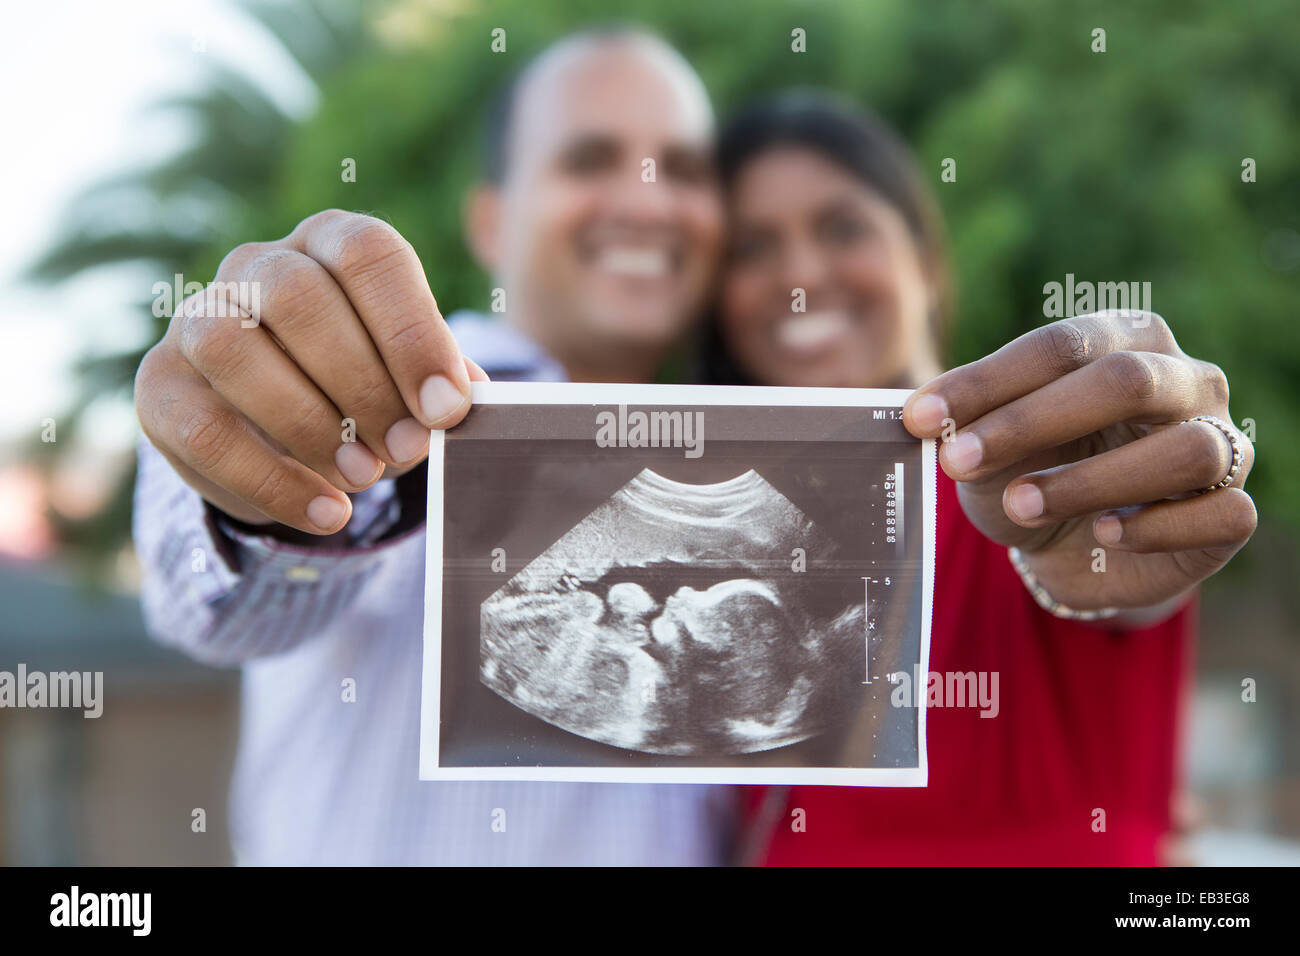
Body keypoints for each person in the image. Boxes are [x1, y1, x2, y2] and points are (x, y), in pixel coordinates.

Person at [131, 26, 733, 865]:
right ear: (491, 222)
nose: (647, 200)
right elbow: (218, 602)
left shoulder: (751, 472)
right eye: (590, 159)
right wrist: (261, 473)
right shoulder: (387, 391)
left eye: (685, 169)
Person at [704, 90, 1257, 865]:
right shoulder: (728, 536)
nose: (801, 273)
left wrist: (1162, 470)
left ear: (926, 262)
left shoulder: (1045, 460)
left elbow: (1119, 574)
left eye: (842, 227)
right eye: (751, 247)